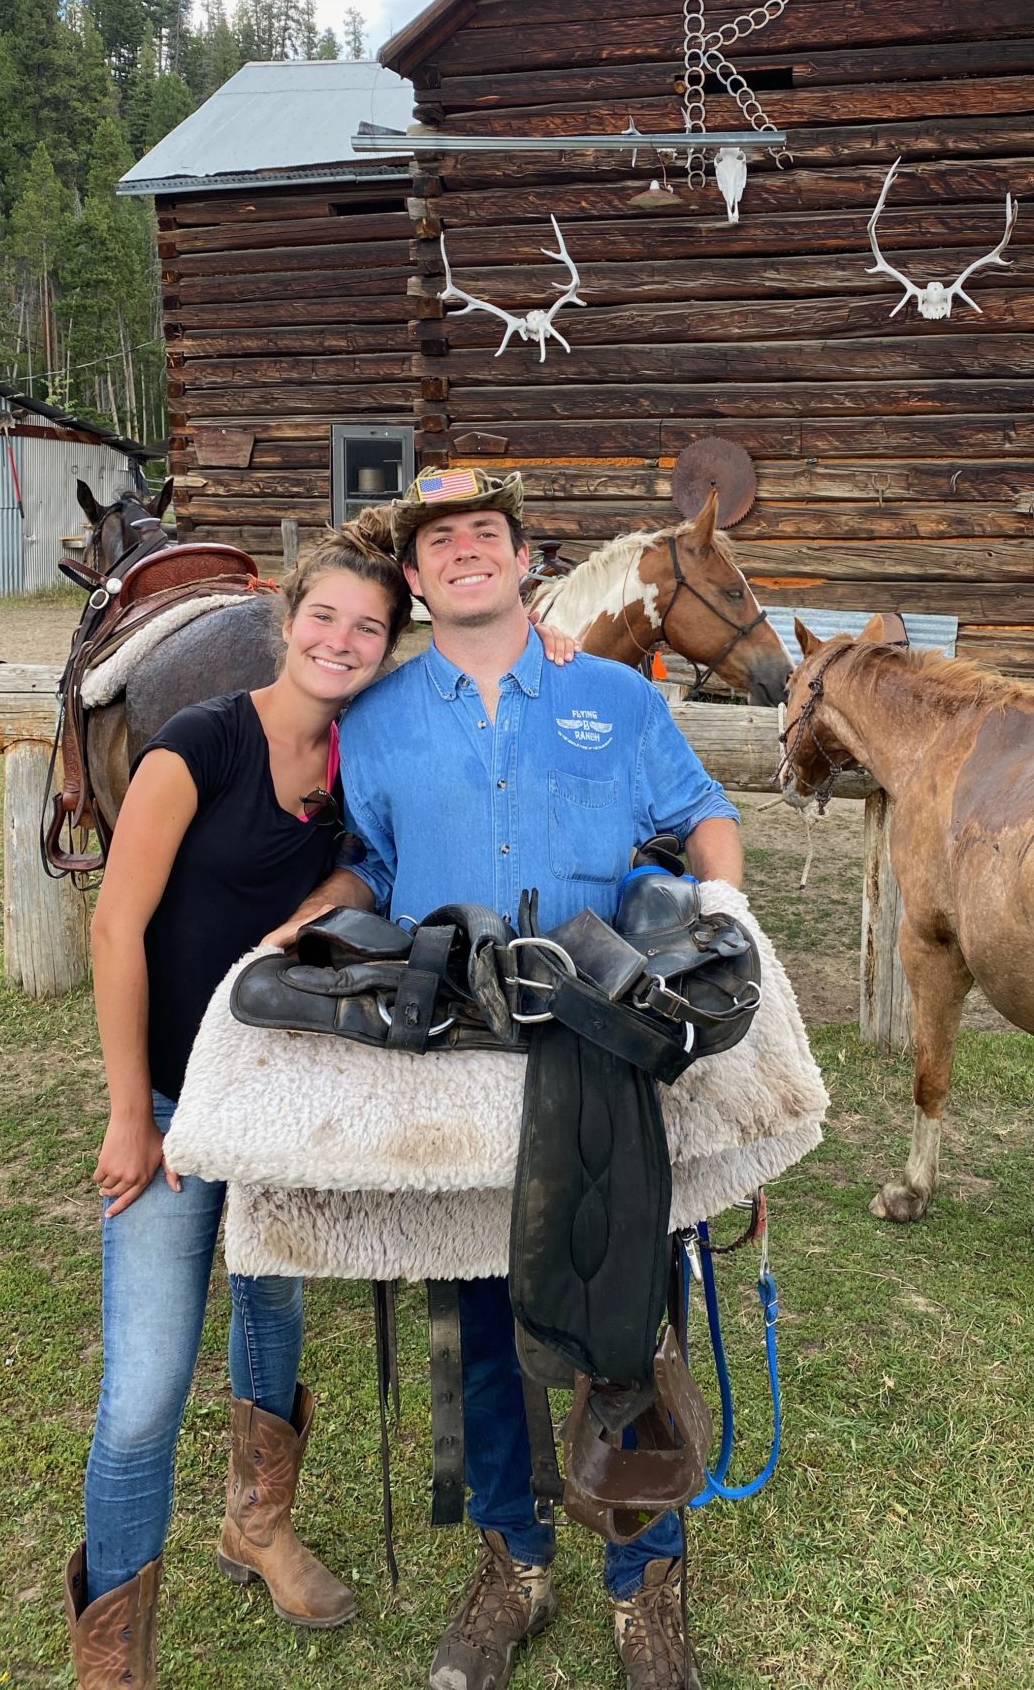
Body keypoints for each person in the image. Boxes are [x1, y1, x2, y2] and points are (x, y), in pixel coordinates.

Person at [271, 467, 743, 1690]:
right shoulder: (374, 717)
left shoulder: (614, 697)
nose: (466, 552)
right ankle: (512, 1559)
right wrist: (303, 926)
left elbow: (702, 812)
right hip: (458, 1044)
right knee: (473, 1322)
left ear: (525, 557)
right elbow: (369, 862)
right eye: (441, 542)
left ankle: (648, 1582)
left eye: (489, 532)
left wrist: (727, 901)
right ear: (416, 579)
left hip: (596, 1042)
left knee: (625, 1309)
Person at [64, 513, 412, 1689]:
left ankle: (256, 1523)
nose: (342, 639)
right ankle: (113, 1652)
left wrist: (322, 900)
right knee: (143, 1390)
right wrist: (129, 1113)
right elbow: (115, 922)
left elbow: (377, 863)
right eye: (325, 615)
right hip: (168, 1100)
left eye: (369, 626)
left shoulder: (360, 765)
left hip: (276, 1098)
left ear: (386, 646)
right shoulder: (197, 744)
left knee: (273, 1316)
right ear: (287, 618)